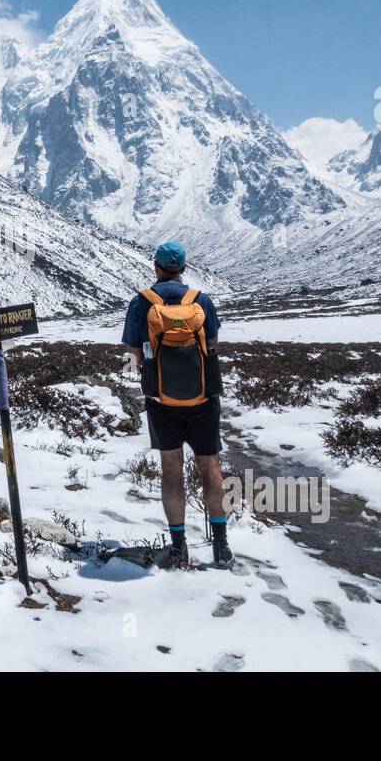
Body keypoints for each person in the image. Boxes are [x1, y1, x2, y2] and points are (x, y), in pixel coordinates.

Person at [121, 242, 233, 569]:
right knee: (210, 469)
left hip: (162, 401)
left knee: (171, 470)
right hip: (203, 399)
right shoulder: (201, 300)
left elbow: (133, 351)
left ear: (156, 266)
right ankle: (221, 547)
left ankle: (178, 546)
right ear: (183, 267)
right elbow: (211, 344)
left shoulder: (141, 303)